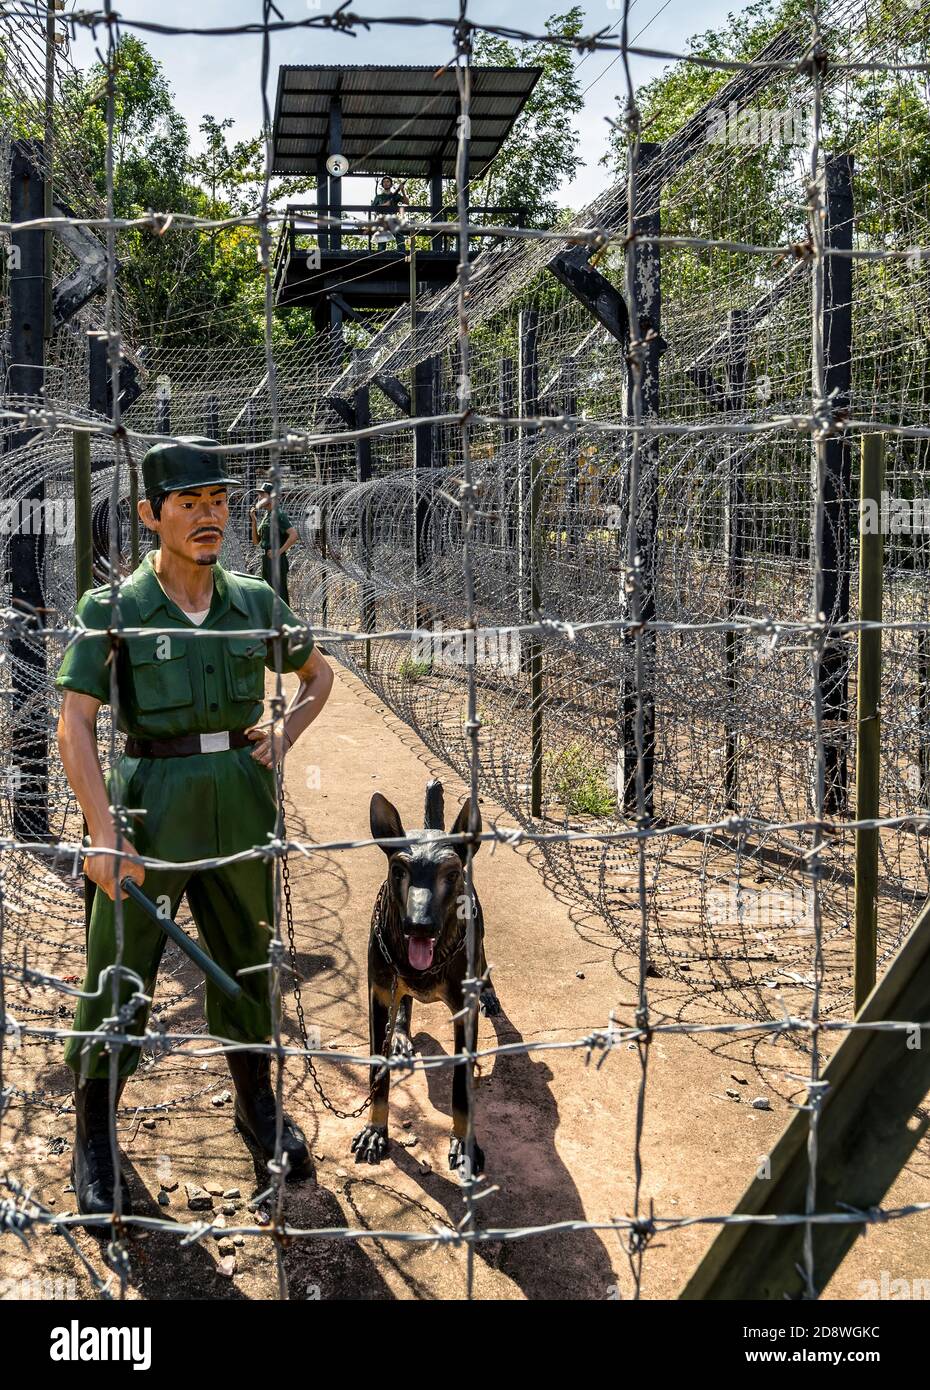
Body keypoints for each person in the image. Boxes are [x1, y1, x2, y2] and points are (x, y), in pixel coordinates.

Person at [55, 437, 334, 1217]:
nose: (209, 517)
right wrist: (102, 829)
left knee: (248, 958)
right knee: (119, 969)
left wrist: (282, 737)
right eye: (189, 503)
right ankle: (96, 1135)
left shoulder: (254, 602)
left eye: (217, 502)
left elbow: (319, 676)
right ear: (152, 515)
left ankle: (257, 1107)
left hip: (241, 806)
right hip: (150, 809)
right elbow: (75, 723)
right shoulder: (113, 610)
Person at [250, 481, 299, 608]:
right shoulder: (267, 515)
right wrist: (254, 522)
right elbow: (256, 542)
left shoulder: (278, 514)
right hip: (266, 559)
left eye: (262, 495)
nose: (259, 498)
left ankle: (285, 622)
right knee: (268, 593)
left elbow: (294, 535)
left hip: (276, 560)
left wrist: (279, 551)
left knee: (279, 595)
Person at [370, 175, 407, 252]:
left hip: (393, 219)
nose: (386, 183)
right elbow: (372, 208)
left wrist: (402, 190)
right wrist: (384, 205)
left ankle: (402, 252)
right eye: (384, 182)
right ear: (382, 184)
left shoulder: (395, 196)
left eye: (388, 181)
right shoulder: (378, 197)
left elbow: (407, 202)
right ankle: (381, 253)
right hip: (382, 219)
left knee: (399, 234)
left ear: (391, 184)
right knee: (382, 238)